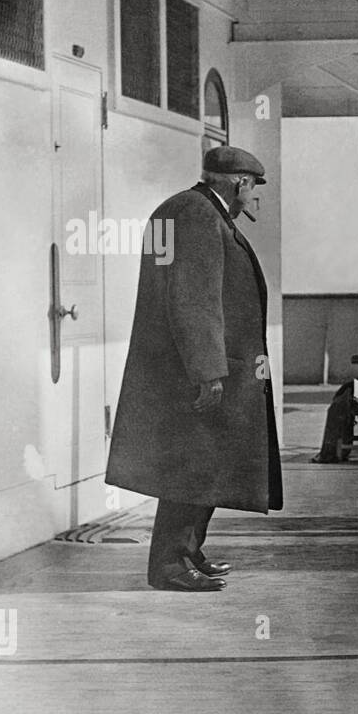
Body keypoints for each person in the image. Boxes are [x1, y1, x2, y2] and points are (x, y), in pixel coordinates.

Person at [106, 146, 283, 591]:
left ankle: (187, 550)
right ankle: (169, 564)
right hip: (196, 368)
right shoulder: (198, 215)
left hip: (192, 364)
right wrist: (207, 370)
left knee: (201, 465)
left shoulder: (188, 210)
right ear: (239, 183)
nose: (253, 200)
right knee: (193, 466)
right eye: (253, 189)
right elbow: (193, 298)